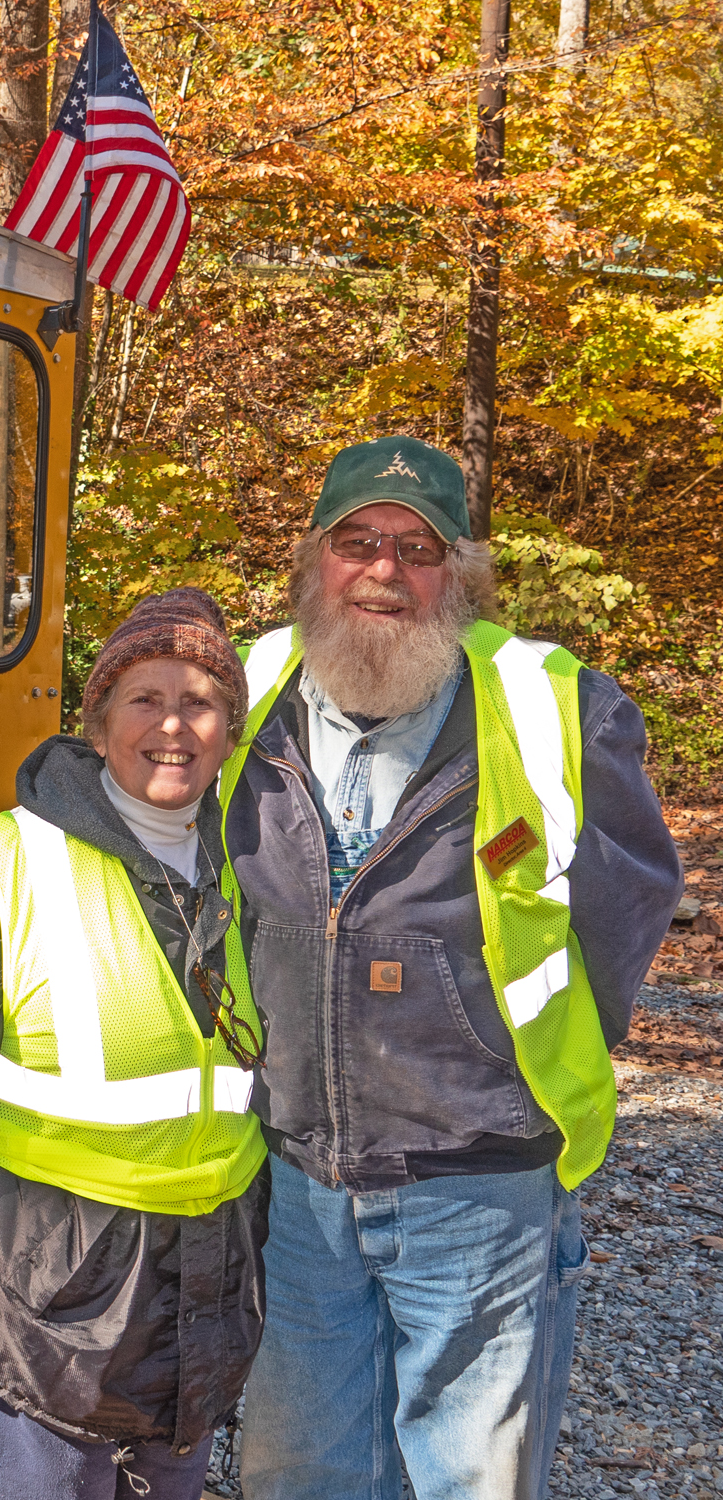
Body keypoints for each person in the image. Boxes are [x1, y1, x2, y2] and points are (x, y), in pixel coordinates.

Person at [224, 436, 681, 1499]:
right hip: (295, 1179)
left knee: (467, 1479)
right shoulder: (246, 685)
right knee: (297, 1473)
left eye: (417, 547)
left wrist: (493, 1059)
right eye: (358, 540)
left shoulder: (551, 703)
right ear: (314, 559)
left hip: (477, 1185)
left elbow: (625, 910)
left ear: (457, 576)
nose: (385, 569)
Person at [0, 589, 269, 1500]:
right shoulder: (17, 865)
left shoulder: (262, 865)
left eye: (200, 702)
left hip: (206, 1280)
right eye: (145, 698)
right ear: (100, 721)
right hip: (46, 1292)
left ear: (232, 730)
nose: (173, 727)